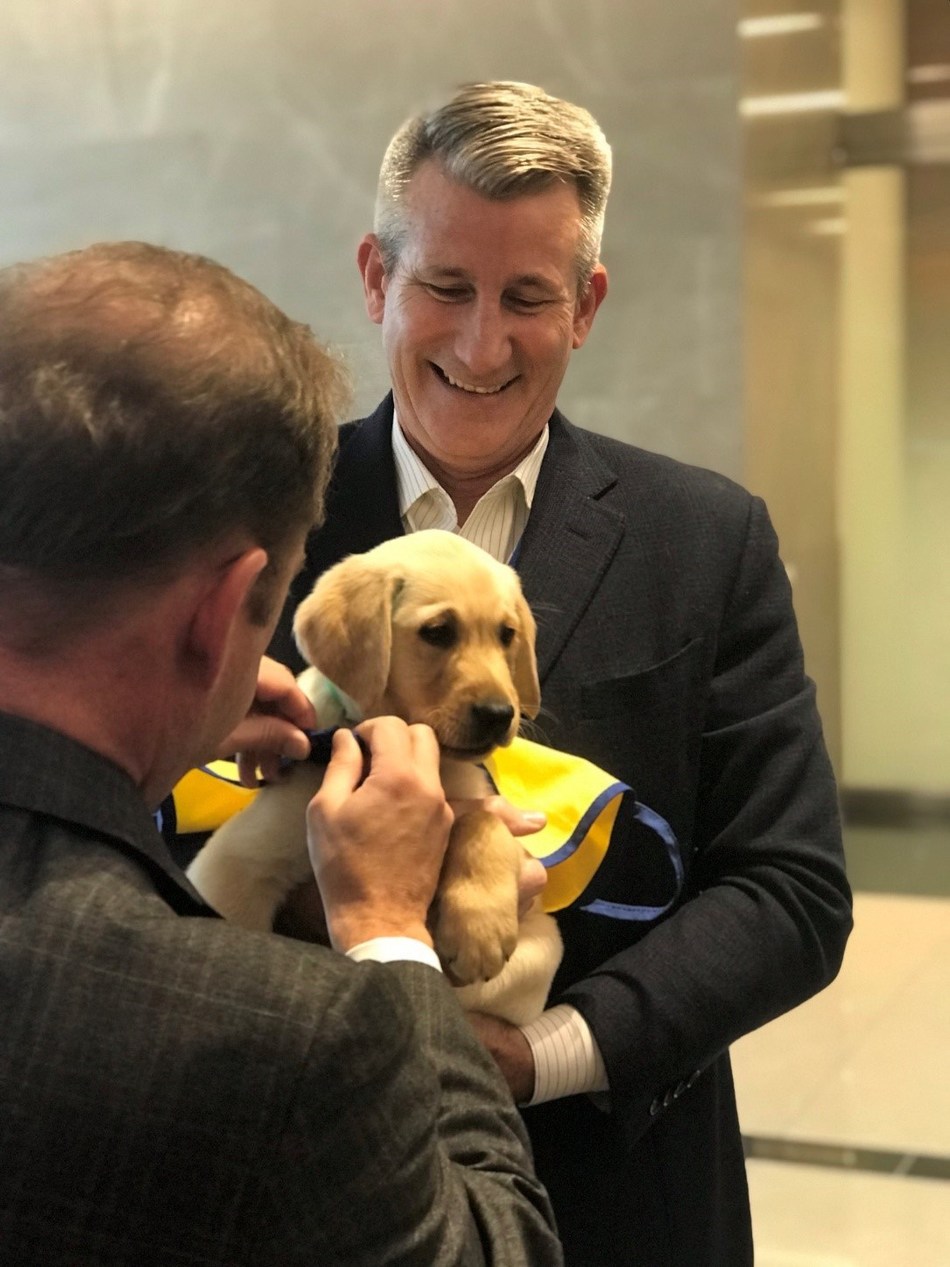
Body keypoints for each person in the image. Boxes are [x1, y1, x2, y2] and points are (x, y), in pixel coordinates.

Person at [267, 81, 855, 1266]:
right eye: (444, 286)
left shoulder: (704, 538)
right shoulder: (260, 516)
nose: (482, 344)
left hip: (615, 1188)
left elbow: (790, 890)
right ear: (378, 280)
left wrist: (544, 1054)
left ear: (584, 305)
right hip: (292, 1178)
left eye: (526, 297)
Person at [0, 241, 563, 1265]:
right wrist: (391, 933)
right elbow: (491, 1244)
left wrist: (169, 727)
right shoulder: (286, 1037)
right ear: (225, 615)